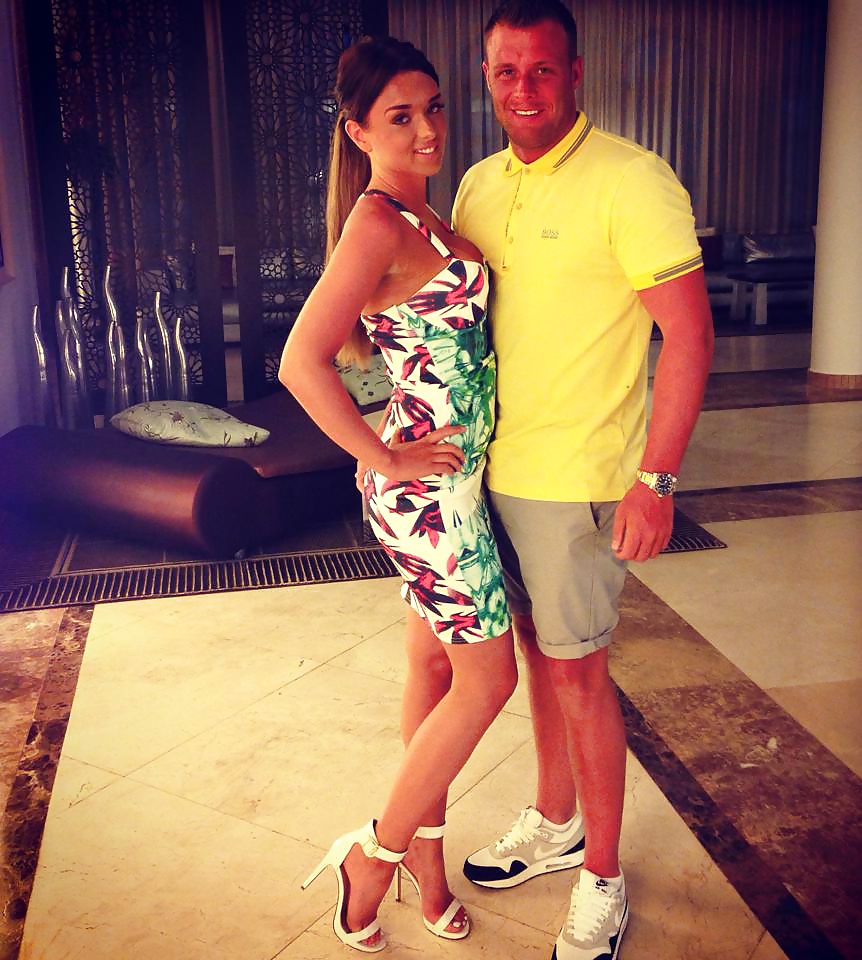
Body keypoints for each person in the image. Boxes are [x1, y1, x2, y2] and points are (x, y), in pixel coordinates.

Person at [452, 2, 715, 958]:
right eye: (505, 71)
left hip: (578, 479)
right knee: (537, 653)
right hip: (494, 470)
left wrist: (657, 479)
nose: (523, 89)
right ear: (487, 77)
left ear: (575, 73)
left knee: (580, 672)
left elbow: (689, 334)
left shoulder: (633, 180)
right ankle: (555, 819)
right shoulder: (478, 185)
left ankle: (602, 876)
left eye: (542, 70)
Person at [279, 36, 517, 953]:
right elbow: (302, 361)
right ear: (357, 131)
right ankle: (372, 858)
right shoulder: (377, 223)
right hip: (431, 500)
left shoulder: (430, 216)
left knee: (434, 673)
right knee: (490, 680)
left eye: (435, 107)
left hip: (457, 482)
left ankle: (427, 865)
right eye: (401, 117)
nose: (427, 130)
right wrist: (381, 453)